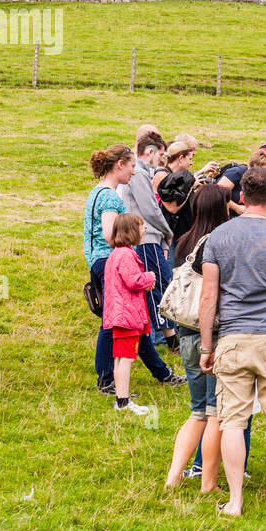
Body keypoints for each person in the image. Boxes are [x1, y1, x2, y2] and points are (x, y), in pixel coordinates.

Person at [199, 166, 266, 516]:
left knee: (232, 421)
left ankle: (234, 500)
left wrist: (206, 346)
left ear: (241, 197)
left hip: (232, 335)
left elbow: (207, 297)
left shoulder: (219, 237)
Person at [165, 183, 246, 491]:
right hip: (212, 335)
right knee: (215, 414)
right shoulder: (221, 242)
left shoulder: (183, 240)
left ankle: (173, 476)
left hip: (185, 333)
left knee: (196, 411)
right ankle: (208, 482)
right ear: (220, 207)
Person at [85, 144, 183, 394]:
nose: (133, 172)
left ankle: (160, 373)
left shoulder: (97, 192)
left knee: (132, 322)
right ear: (119, 165)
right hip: (111, 263)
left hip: (102, 262)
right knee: (114, 322)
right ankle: (107, 379)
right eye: (130, 166)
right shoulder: (109, 196)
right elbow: (109, 234)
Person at [119, 132, 177, 353]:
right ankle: (168, 338)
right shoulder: (140, 174)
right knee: (158, 284)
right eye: (161, 154)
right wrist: (166, 231)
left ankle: (159, 336)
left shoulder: (143, 173)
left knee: (159, 282)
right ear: (150, 152)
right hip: (145, 238)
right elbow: (150, 209)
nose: (162, 159)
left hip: (149, 237)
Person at [102, 214, 156, 416]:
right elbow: (133, 281)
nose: (144, 230)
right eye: (141, 227)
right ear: (131, 230)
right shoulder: (125, 255)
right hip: (127, 315)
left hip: (120, 314)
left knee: (120, 358)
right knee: (126, 358)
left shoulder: (116, 253)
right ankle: (123, 402)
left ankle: (121, 398)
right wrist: (149, 277)